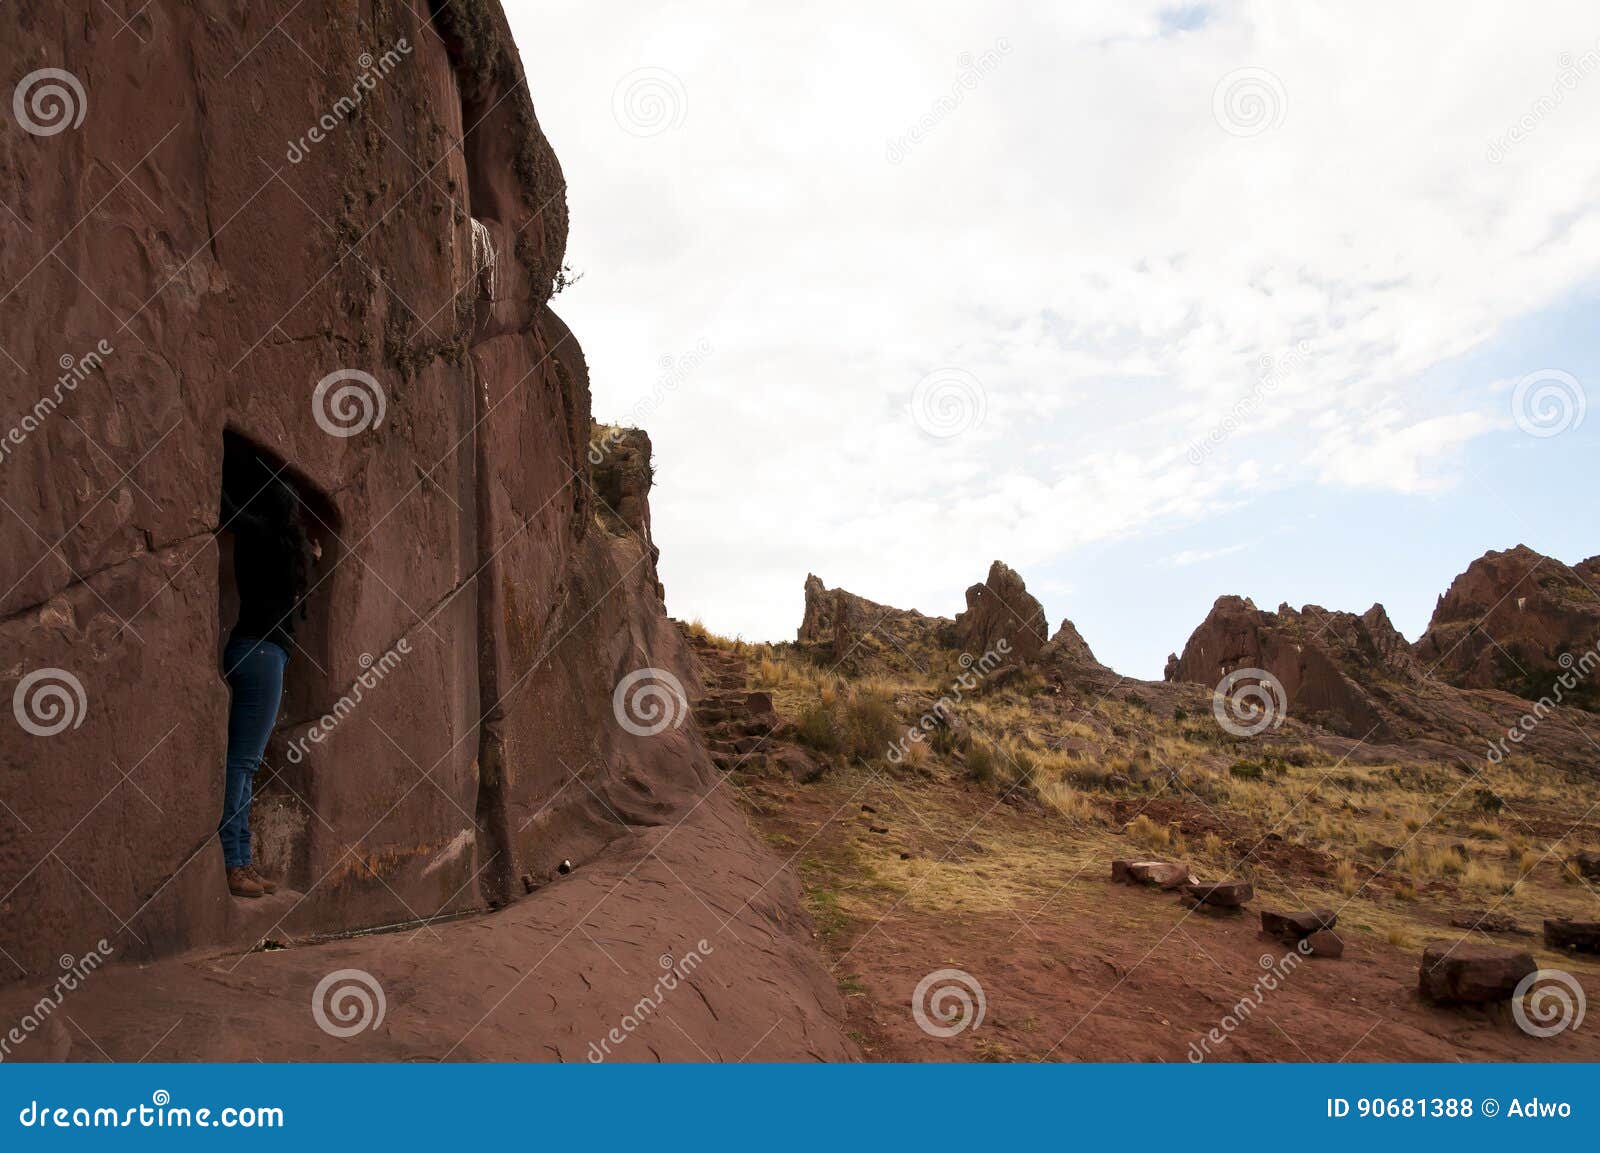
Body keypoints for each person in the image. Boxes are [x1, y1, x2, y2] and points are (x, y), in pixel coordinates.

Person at [217, 455, 315, 898]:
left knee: (241, 761)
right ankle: (236, 863)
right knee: (244, 762)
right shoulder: (291, 548)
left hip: (242, 647)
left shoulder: (257, 535)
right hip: (265, 656)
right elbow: (314, 551)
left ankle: (240, 860)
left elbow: (232, 513)